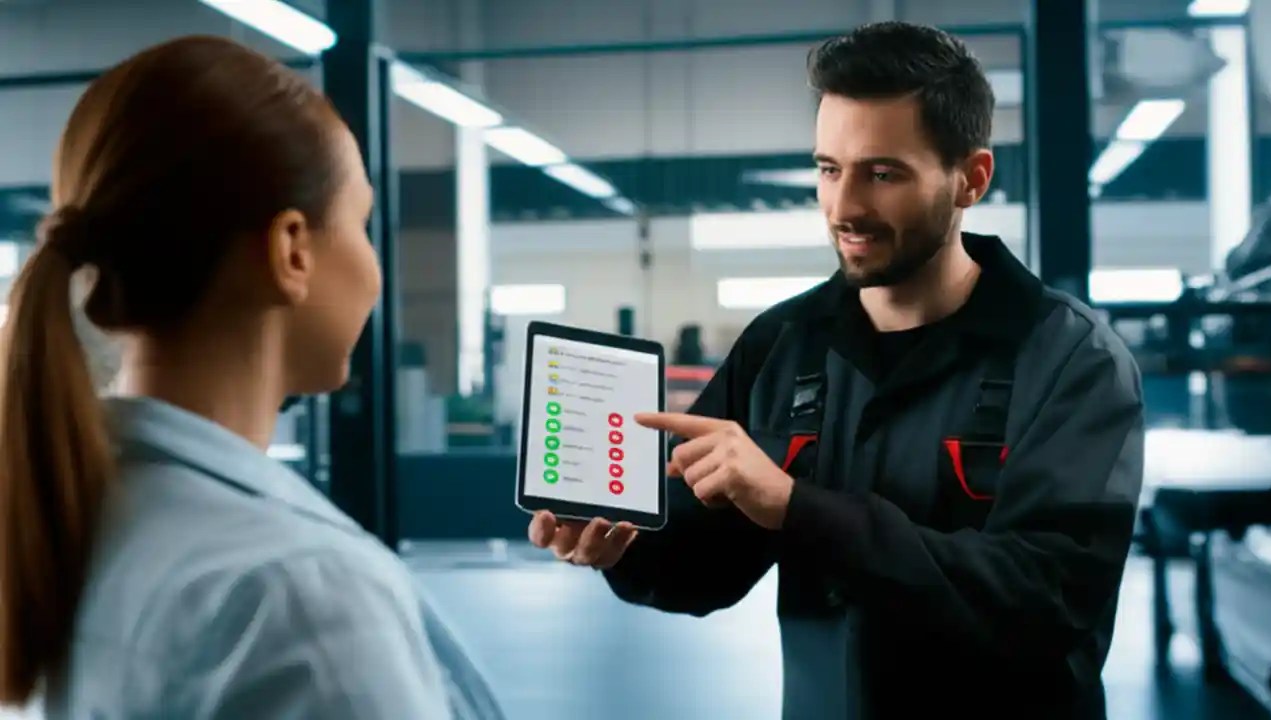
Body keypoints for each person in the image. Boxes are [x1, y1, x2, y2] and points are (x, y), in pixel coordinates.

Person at [529, 21, 1145, 719]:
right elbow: (707, 568)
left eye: (882, 174)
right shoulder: (782, 345)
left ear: (970, 179)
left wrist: (798, 508)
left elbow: (1048, 602)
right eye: (829, 169)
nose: (845, 207)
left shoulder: (1072, 360)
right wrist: (624, 547)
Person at [0, 36, 460, 719]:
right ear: (291, 250)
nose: (373, 269)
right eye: (361, 222)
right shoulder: (300, 595)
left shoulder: (57, 525)